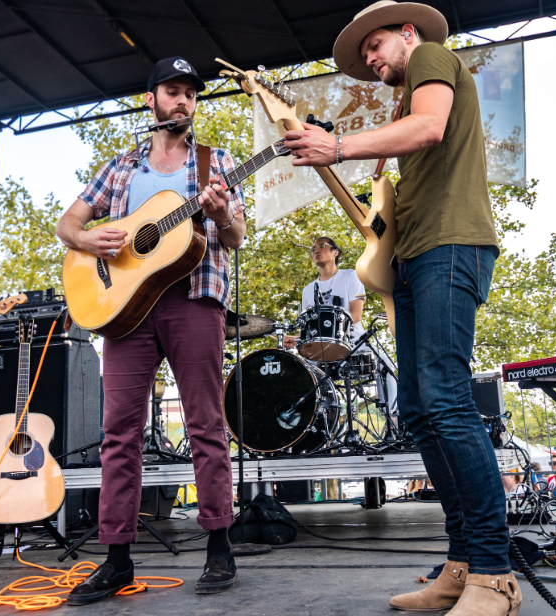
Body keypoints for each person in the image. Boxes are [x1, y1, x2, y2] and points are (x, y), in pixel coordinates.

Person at [284, 2, 518, 614]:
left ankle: (495, 573)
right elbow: (384, 211)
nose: (370, 56)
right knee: (418, 409)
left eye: (376, 44)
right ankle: (462, 562)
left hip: (450, 245)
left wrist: (337, 146)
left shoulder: (432, 58)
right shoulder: (399, 110)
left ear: (408, 34)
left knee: (444, 396)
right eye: (364, 53)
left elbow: (430, 127)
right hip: (414, 255)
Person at [56, 56, 246, 605]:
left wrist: (220, 215)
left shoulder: (216, 163)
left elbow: (233, 237)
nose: (183, 100)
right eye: (172, 90)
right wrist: (89, 241)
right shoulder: (120, 166)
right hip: (123, 312)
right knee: (119, 433)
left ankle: (218, 545)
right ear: (151, 100)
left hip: (194, 301)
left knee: (206, 423)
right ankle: (116, 558)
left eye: (190, 93)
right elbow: (68, 223)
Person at [282, 236, 365, 351]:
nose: (316, 251)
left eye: (322, 246)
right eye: (313, 249)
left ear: (335, 252)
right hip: (321, 351)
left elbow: (356, 315)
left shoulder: (351, 276)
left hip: (354, 344)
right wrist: (296, 339)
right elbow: (309, 328)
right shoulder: (307, 290)